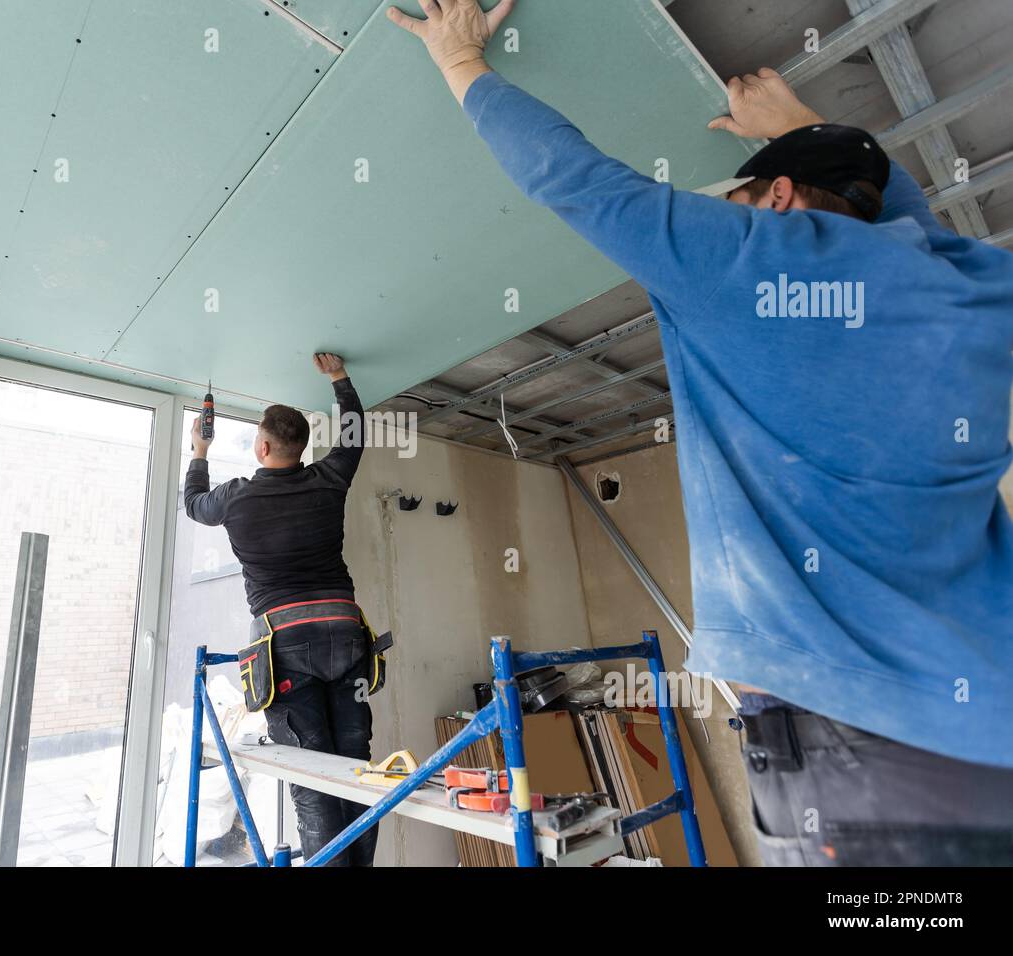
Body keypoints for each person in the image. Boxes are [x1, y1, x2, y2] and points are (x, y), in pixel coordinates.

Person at [389, 0, 1013, 865]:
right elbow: (916, 230)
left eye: (745, 194)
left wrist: (460, 60)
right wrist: (821, 136)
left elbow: (577, 178)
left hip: (861, 769)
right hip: (982, 740)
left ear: (780, 199)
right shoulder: (974, 292)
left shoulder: (748, 265)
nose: (735, 210)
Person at [184, 352, 380, 865]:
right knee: (355, 765)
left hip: (285, 641)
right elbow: (355, 436)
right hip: (344, 630)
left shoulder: (234, 498)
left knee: (312, 775)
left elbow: (193, 502)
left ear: (263, 445)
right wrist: (340, 379)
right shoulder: (328, 479)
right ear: (300, 447)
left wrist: (199, 450)